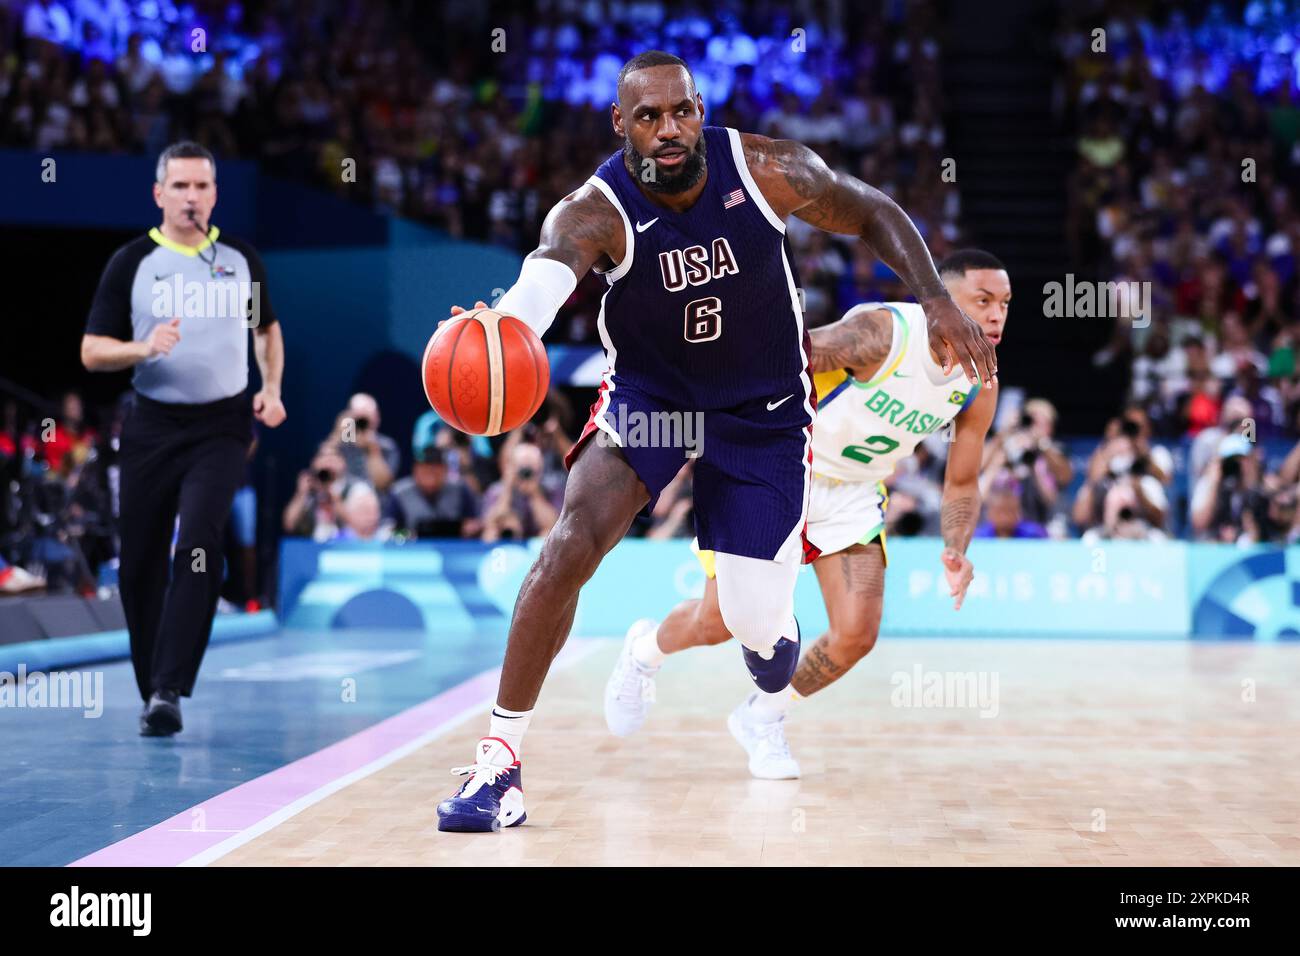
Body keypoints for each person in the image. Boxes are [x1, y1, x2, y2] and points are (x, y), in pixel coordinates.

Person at [435, 52, 994, 831]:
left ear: (701, 110)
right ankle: (500, 761)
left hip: (763, 412)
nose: (669, 130)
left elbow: (872, 211)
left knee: (759, 633)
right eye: (648, 117)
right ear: (620, 124)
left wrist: (934, 298)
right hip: (652, 400)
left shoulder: (768, 170)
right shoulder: (594, 211)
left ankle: (712, 649)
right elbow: (543, 282)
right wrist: (501, 329)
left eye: (682, 112)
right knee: (569, 545)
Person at [603, 249, 1010, 778]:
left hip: (855, 492)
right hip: (779, 466)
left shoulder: (981, 384)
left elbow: (960, 480)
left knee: (856, 634)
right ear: (940, 301)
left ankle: (763, 717)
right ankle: (642, 652)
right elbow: (787, 355)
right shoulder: (884, 334)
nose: (997, 314)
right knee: (721, 623)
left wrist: (956, 547)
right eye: (983, 300)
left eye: (1005, 302)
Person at [80, 141, 286, 737]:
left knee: (197, 539)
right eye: (180, 186)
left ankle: (168, 687)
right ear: (159, 194)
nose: (191, 196)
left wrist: (270, 387)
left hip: (222, 426)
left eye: (202, 186)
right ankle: (153, 688)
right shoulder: (133, 263)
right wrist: (143, 348)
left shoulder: (240, 260)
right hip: (150, 424)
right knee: (139, 562)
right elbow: (91, 351)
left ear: (215, 194)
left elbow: (266, 329)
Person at [386, 445, 481, 538]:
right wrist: (408, 534)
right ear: (415, 470)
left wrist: (471, 528)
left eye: (436, 471)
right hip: (412, 549)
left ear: (445, 470)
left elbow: (474, 522)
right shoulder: (400, 492)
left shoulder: (460, 489)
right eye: (426, 471)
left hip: (454, 546)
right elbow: (389, 530)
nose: (431, 478)